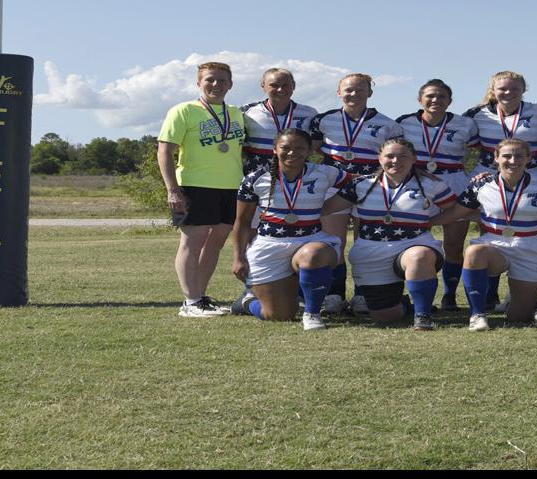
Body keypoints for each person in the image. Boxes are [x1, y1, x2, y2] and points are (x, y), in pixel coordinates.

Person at [319, 137, 459, 331]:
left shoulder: (431, 184)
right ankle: (405, 304)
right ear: (379, 158)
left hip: (414, 243)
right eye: (390, 156)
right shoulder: (361, 184)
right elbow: (326, 208)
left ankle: (422, 315)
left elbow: (456, 209)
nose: (396, 161)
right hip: (371, 251)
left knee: (419, 256)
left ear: (414, 159)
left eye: (403, 156)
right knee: (385, 316)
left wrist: (429, 222)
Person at [428, 139, 537, 329]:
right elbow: (456, 212)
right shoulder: (481, 184)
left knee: (519, 318)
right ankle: (477, 315)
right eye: (507, 156)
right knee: (475, 252)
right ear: (496, 158)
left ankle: (516, 301)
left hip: (531, 246)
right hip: (495, 244)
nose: (513, 160)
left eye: (519, 156)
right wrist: (423, 223)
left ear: (529, 158)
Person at [229, 129, 348, 330]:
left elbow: (358, 183)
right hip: (269, 245)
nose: (292, 152)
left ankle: (312, 314)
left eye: (300, 148)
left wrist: (330, 206)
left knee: (314, 254)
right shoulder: (255, 178)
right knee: (278, 315)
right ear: (275, 149)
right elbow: (243, 221)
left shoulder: (325, 173)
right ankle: (248, 302)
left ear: (310, 151)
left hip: (311, 239)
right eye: (285, 147)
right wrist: (238, 258)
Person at [158, 60, 247, 318]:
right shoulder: (183, 110)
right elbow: (164, 152)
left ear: (230, 84)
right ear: (199, 82)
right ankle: (190, 302)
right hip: (194, 185)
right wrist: (172, 189)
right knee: (192, 242)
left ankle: (201, 297)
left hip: (231, 186)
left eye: (222, 80)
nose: (216, 84)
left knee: (215, 244)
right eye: (210, 79)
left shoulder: (236, 113)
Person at [310, 73, 405, 307]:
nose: (353, 94)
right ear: (338, 92)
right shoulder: (322, 120)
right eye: (348, 90)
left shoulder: (388, 124)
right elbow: (311, 149)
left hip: (370, 188)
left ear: (369, 93)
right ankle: (334, 294)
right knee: (334, 243)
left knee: (367, 243)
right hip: (334, 187)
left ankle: (364, 294)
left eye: (360, 90)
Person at [395, 79, 481, 311]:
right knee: (410, 240)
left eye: (442, 96)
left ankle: (449, 295)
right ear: (419, 99)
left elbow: (484, 149)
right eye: (430, 96)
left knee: (454, 244)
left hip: (454, 180)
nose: (436, 100)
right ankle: (410, 294)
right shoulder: (403, 123)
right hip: (417, 181)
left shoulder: (465, 124)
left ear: (450, 101)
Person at [240, 68, 320, 176]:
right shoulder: (247, 111)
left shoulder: (309, 113)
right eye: (274, 85)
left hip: (297, 174)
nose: (280, 89)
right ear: (263, 86)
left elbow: (316, 144)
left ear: (293, 86)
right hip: (257, 174)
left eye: (285, 85)